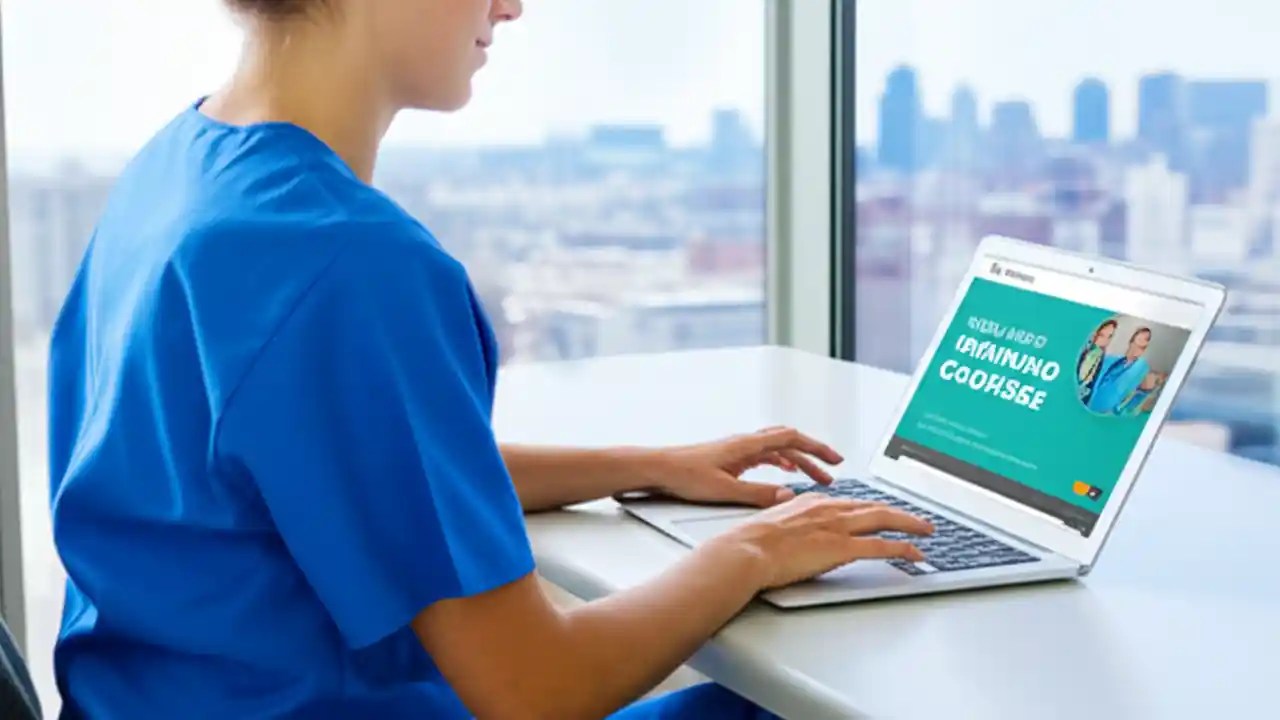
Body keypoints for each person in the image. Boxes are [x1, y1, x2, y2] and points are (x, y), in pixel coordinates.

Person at [46, 1, 934, 718]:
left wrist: (650, 467)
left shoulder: (178, 173)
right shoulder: (346, 261)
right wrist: (751, 552)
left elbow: (332, 474)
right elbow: (536, 691)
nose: (511, 6)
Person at [1087, 327, 1153, 415]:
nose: (1142, 341)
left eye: (1146, 339)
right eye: (1140, 338)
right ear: (1131, 341)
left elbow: (1138, 398)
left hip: (1107, 414)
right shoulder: (1109, 360)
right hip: (1090, 404)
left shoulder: (1141, 369)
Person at [1077, 318, 1118, 403]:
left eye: (1109, 336)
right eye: (1102, 335)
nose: (1105, 340)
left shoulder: (1101, 355)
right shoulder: (1084, 349)